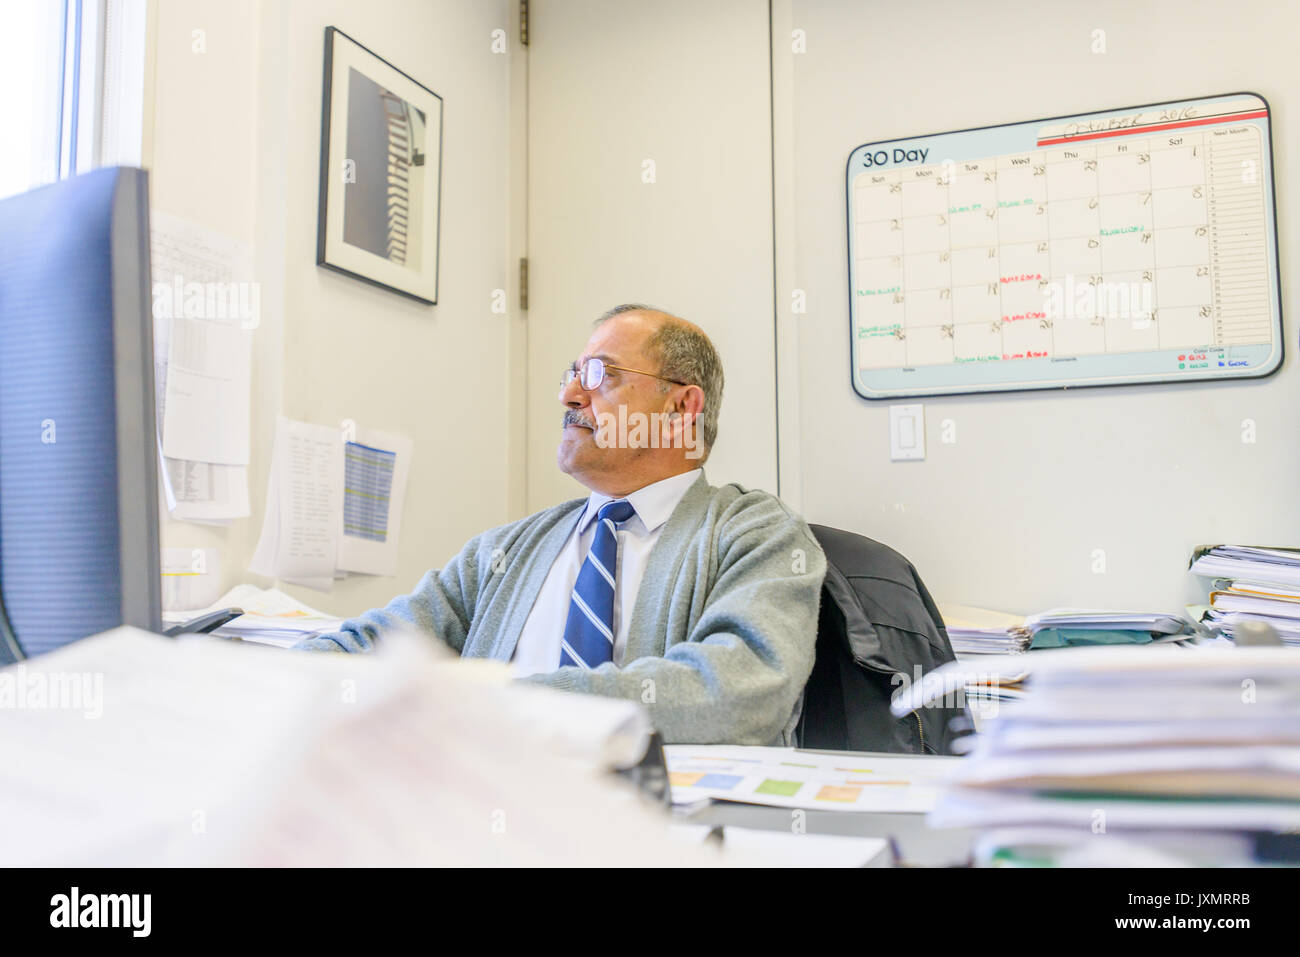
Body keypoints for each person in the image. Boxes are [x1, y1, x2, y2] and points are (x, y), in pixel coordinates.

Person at [296, 304, 826, 745]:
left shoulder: (758, 534)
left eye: (600, 375)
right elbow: (381, 644)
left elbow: (740, 690)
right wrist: (258, 676)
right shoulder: (504, 550)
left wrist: (504, 702)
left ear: (681, 406)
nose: (569, 395)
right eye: (572, 375)